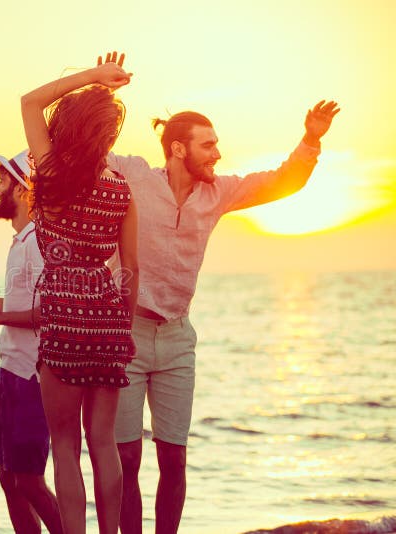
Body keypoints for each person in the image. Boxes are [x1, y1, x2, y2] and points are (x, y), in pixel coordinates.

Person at [97, 52, 341, 533]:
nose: (217, 153)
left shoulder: (219, 193)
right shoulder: (134, 176)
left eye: (216, 144)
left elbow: (282, 182)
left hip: (176, 339)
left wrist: (310, 139)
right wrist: (102, 93)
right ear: (178, 149)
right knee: (125, 460)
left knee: (174, 459)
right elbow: (84, 148)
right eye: (208, 145)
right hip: (125, 333)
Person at [20, 60, 140, 534]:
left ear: (66, 126)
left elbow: (30, 101)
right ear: (108, 136)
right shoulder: (121, 191)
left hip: (64, 313)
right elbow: (131, 269)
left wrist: (92, 76)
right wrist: (122, 329)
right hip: (108, 314)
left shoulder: (50, 173)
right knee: (104, 443)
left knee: (65, 444)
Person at [0, 150, 63, 534]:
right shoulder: (21, 240)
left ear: (23, 189)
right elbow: (25, 304)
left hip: (31, 378)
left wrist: (0, 316)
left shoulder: (39, 241)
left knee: (29, 480)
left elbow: (51, 310)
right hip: (9, 373)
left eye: (3, 181)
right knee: (8, 478)